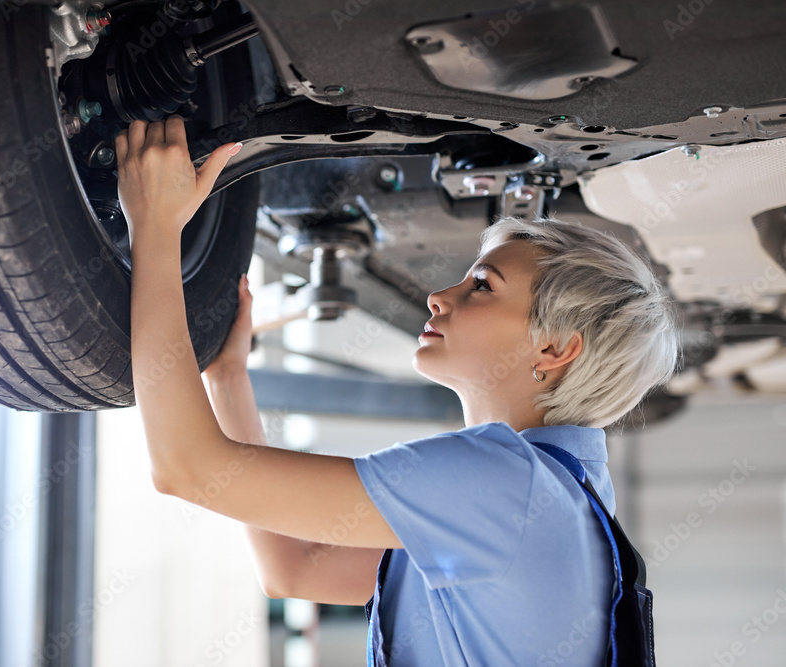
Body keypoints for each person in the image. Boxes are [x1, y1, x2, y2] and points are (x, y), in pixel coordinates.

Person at [114, 115, 681, 665]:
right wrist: (228, 377)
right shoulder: (541, 494)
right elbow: (298, 564)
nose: (440, 295)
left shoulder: (511, 486)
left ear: (555, 349)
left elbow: (187, 470)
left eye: (482, 286)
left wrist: (157, 227)